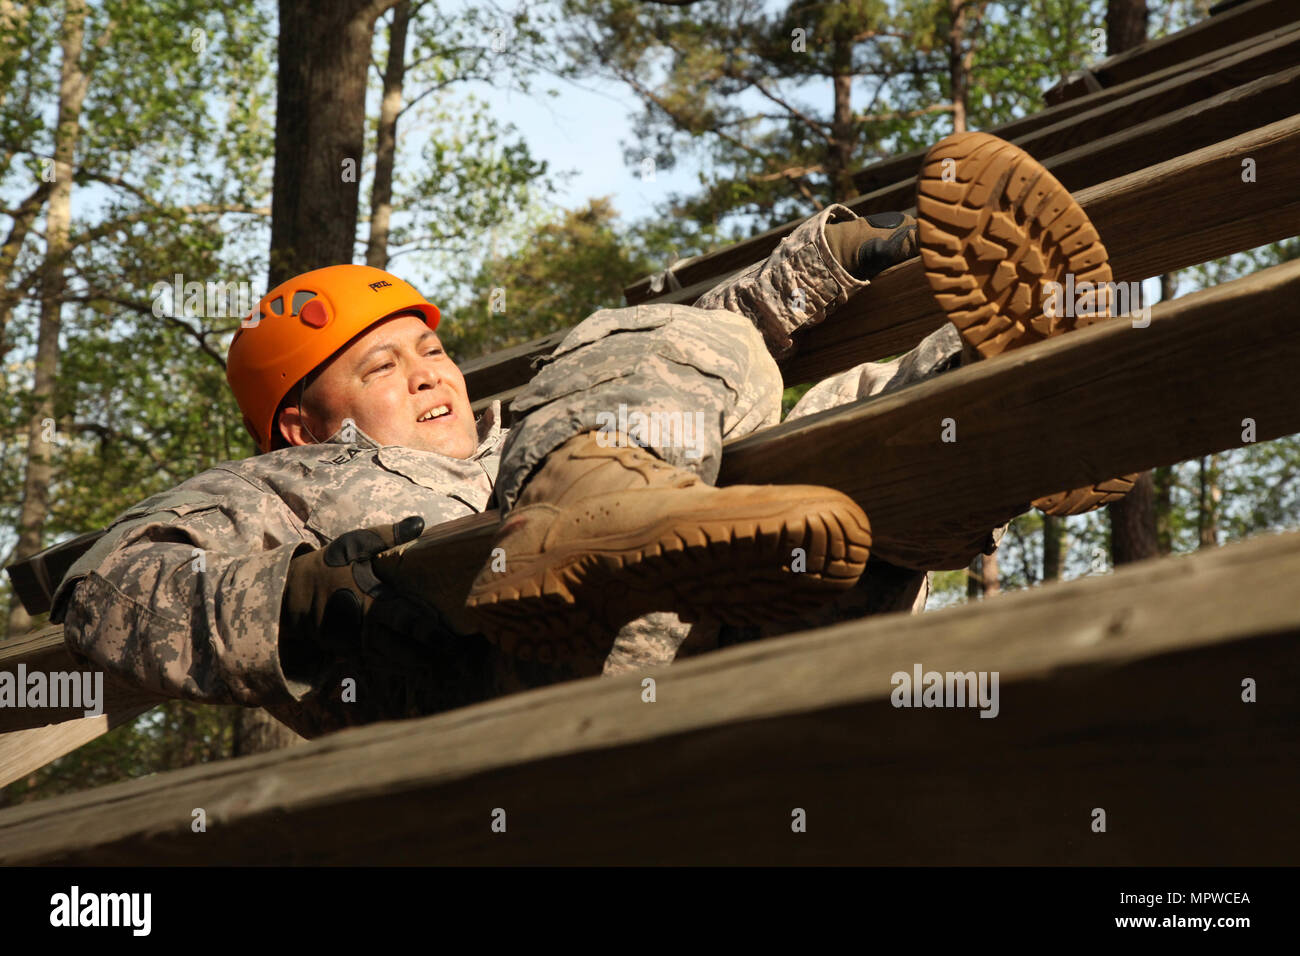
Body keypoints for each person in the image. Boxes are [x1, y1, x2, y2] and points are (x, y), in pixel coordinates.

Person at [50, 132, 1131, 739]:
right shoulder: (279, 490)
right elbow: (105, 585)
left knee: (797, 407)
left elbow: (705, 342)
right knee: (619, 350)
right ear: (300, 424)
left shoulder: (519, 432)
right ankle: (589, 524)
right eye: (383, 365)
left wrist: (842, 253)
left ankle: (1005, 405)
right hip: (486, 678)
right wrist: (306, 599)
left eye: (431, 351)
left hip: (739, 622)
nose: (429, 372)